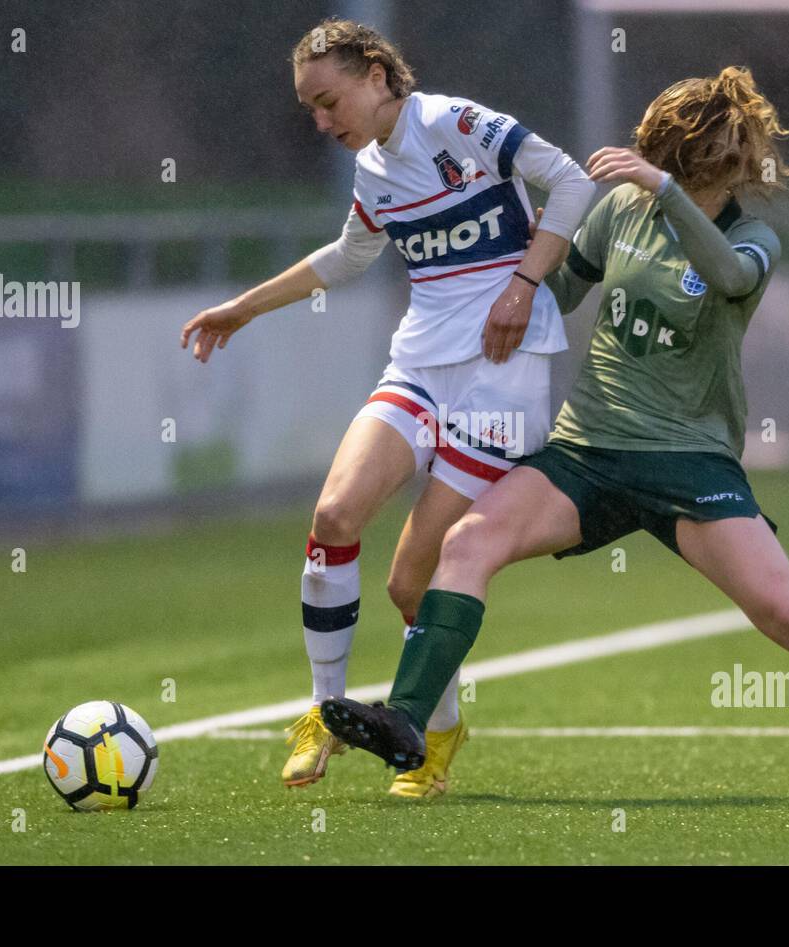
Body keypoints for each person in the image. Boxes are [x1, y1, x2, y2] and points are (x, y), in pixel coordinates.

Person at [320, 66, 789, 801]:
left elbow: (727, 278)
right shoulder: (621, 210)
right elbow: (552, 294)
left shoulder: (750, 238)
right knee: (469, 542)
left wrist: (662, 192)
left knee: (786, 614)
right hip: (585, 452)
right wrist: (492, 280)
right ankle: (407, 722)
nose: (711, 162)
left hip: (688, 463)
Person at [179, 18, 596, 797]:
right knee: (335, 517)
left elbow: (574, 182)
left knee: (412, 583)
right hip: (419, 368)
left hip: (501, 377)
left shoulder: (458, 125)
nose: (322, 122)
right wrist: (243, 307)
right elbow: (347, 256)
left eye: (328, 101)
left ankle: (437, 736)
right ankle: (322, 711)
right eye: (310, 108)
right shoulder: (373, 170)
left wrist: (523, 283)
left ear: (376, 74)